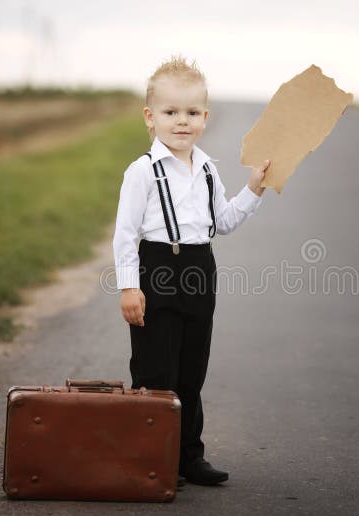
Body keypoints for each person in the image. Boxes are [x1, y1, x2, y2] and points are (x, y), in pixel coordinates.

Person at [112, 55, 270, 486]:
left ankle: (187, 457)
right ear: (150, 118)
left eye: (192, 113)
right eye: (170, 112)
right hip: (157, 268)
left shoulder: (206, 170)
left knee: (191, 369)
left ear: (205, 117)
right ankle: (149, 458)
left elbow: (223, 222)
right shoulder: (142, 172)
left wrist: (253, 188)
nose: (182, 122)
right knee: (154, 372)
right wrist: (130, 287)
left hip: (199, 269)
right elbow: (125, 235)